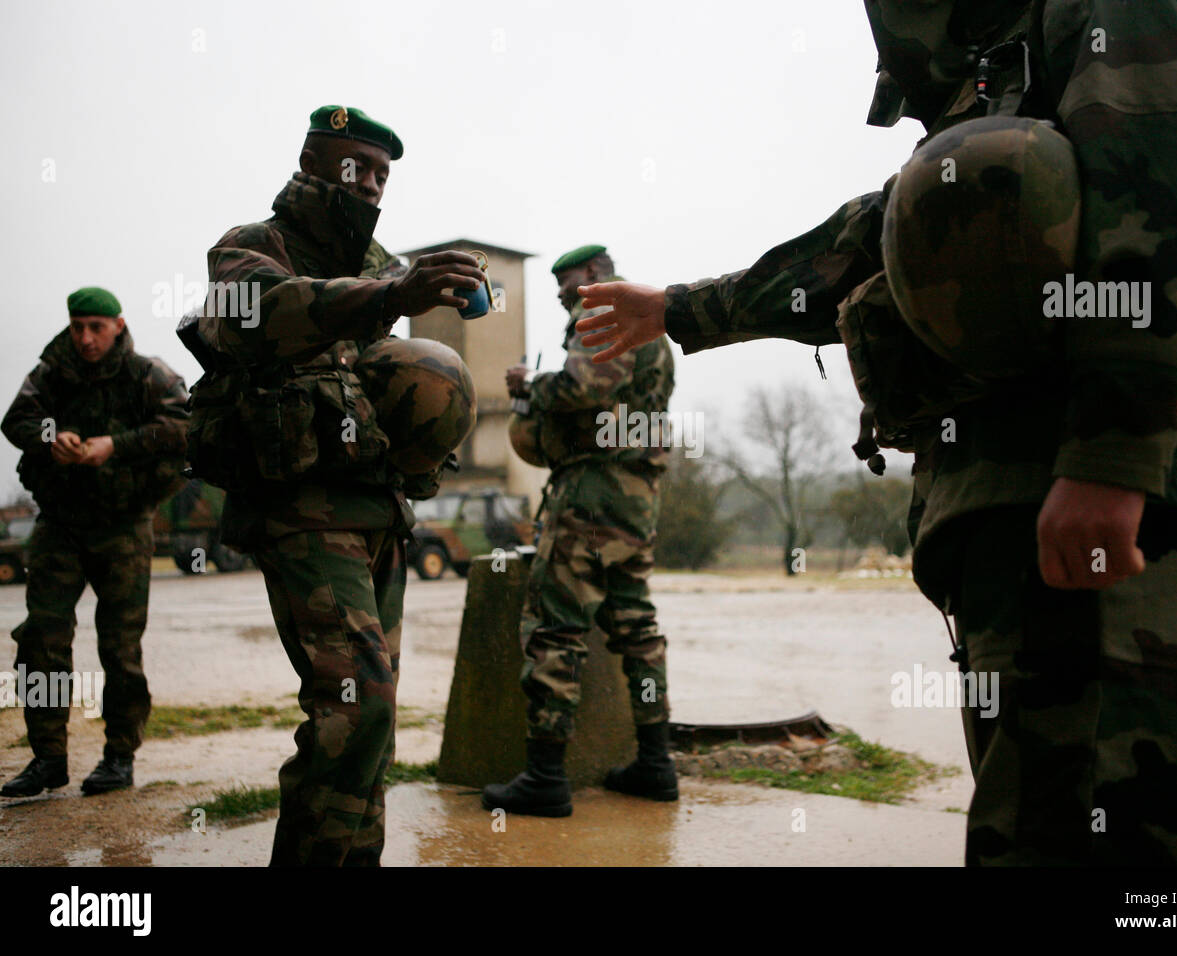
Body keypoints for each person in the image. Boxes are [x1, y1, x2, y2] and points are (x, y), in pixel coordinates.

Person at [572, 1, 1177, 864]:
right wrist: (683, 308)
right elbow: (878, 240)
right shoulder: (992, 55)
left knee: (1095, 838)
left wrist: (1113, 458)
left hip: (1093, 503)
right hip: (1008, 508)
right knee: (1028, 826)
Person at [184, 104, 486, 865]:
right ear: (314, 164)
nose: (374, 183)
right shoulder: (253, 247)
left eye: (384, 173)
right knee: (357, 705)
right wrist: (389, 296)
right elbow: (259, 320)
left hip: (377, 504)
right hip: (299, 508)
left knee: (372, 721)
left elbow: (387, 380)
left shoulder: (382, 261)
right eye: (359, 166)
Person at [483, 245, 677, 817]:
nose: (562, 295)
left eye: (565, 283)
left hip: (592, 489)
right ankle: (657, 763)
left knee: (555, 626)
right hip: (638, 494)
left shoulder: (601, 311)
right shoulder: (650, 323)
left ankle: (545, 777)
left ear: (593, 273)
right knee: (636, 626)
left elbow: (585, 387)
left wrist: (529, 388)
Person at [1, 287, 188, 797]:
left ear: (119, 326)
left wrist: (116, 446)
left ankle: (119, 757)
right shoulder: (50, 371)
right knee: (42, 640)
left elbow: (184, 427)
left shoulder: (149, 374)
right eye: (78, 326)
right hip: (60, 524)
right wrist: (50, 435)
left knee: (120, 648)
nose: (85, 337)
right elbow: (16, 420)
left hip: (124, 526)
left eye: (96, 327)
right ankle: (47, 759)